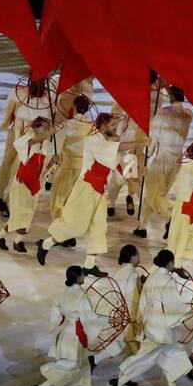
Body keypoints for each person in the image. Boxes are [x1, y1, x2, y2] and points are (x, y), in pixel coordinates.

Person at [108, 249, 193, 386]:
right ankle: (118, 383)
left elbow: (143, 304)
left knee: (170, 358)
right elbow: (173, 305)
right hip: (163, 328)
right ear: (169, 263)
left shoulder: (152, 278)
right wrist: (189, 310)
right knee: (144, 360)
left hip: (152, 324)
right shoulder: (168, 281)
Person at [39, 113, 124, 272]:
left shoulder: (108, 142)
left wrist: (132, 175)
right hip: (86, 187)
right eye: (112, 125)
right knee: (76, 225)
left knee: (98, 226)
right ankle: (46, 244)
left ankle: (89, 265)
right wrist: (141, 142)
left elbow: (115, 163)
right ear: (103, 125)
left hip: (99, 189)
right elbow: (112, 153)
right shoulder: (93, 140)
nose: (115, 128)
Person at [31, 265, 101, 386]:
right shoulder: (82, 296)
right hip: (75, 336)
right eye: (83, 274)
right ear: (78, 277)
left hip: (66, 332)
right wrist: (110, 322)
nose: (84, 276)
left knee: (81, 368)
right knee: (68, 368)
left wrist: (56, 330)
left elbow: (55, 316)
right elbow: (90, 318)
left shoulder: (62, 295)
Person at [0, 115, 61, 254]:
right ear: (36, 128)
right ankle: (14, 240)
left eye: (48, 127)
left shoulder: (48, 146)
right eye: (45, 127)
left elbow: (44, 169)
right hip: (21, 183)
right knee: (20, 215)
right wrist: (48, 134)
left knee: (28, 215)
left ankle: (4, 237)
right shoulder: (25, 140)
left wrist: (54, 162)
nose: (48, 130)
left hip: (35, 184)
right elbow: (29, 143)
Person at [0, 77, 55, 218]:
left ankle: (7, 199)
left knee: (18, 168)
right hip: (19, 136)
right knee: (9, 163)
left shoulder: (49, 102)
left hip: (36, 140)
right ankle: (1, 195)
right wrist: (20, 144)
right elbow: (9, 113)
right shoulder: (18, 95)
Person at [136, 86, 193, 239]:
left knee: (153, 195)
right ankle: (142, 226)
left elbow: (153, 140)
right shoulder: (189, 114)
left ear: (171, 96)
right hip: (177, 159)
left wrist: (145, 157)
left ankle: (175, 216)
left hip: (163, 158)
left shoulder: (162, 113)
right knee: (157, 193)